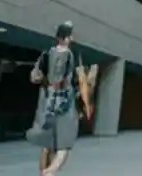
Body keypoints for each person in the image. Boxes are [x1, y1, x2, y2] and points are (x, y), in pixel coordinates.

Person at [29, 21, 92, 176]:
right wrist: (86, 104)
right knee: (65, 144)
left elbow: (34, 77)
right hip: (65, 103)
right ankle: (50, 172)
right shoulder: (74, 55)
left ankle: (44, 173)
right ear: (68, 37)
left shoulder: (46, 54)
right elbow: (82, 81)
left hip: (46, 102)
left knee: (47, 145)